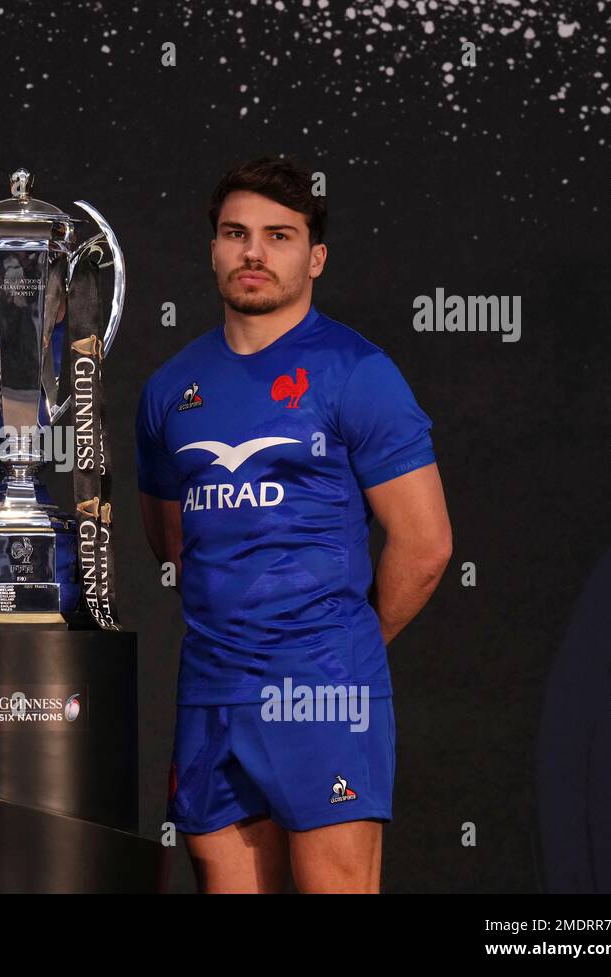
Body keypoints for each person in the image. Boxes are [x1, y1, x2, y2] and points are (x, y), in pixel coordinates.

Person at [136, 157, 452, 893]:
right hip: (212, 686)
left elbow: (426, 544)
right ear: (213, 247)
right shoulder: (168, 388)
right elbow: (173, 542)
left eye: (279, 235)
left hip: (324, 685)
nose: (253, 252)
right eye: (235, 233)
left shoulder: (356, 372)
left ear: (314, 257)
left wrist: (343, 652)